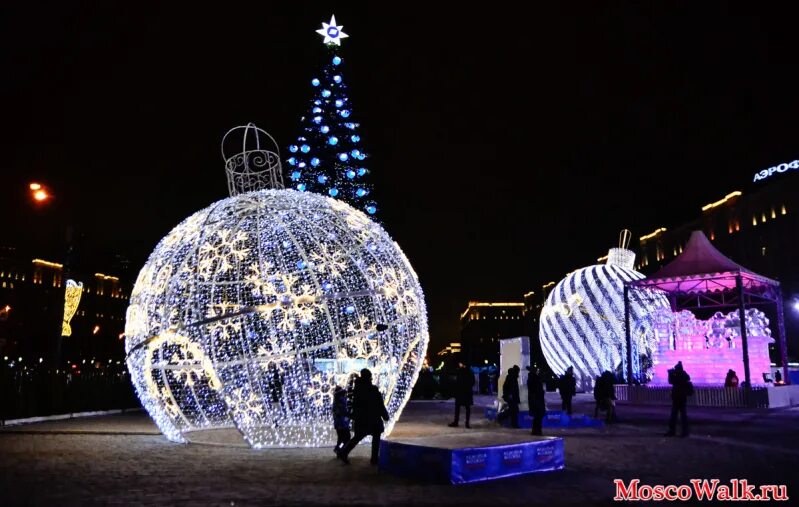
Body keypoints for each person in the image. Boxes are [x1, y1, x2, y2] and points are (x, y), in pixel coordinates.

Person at [337, 369, 389, 465]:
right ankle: (374, 459)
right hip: (373, 418)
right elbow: (379, 404)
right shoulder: (373, 390)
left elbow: (355, 405)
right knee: (376, 437)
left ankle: (344, 452)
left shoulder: (357, 390)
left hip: (361, 418)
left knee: (358, 437)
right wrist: (385, 415)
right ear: (369, 377)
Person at [665, 361, 692, 437]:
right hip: (681, 398)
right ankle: (684, 432)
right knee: (682, 415)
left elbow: (671, 381)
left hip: (678, 398)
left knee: (675, 415)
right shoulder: (684, 375)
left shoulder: (679, 376)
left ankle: (673, 431)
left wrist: (670, 374)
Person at [448, 360, 475, 428]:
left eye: (460, 363)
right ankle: (465, 423)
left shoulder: (462, 371)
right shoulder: (468, 371)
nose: (459, 364)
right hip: (465, 392)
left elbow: (471, 381)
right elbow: (472, 381)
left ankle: (458, 422)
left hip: (463, 392)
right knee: (465, 408)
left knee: (461, 408)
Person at [526, 365, 546, 435]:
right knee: (538, 416)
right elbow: (535, 390)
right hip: (536, 400)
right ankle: (537, 431)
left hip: (536, 399)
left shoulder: (533, 378)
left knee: (537, 417)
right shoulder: (534, 378)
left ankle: (536, 431)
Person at [332, 385, 351, 455]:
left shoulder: (336, 401)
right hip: (342, 424)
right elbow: (343, 412)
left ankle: (339, 450)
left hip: (339, 424)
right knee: (346, 438)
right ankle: (338, 449)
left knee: (341, 438)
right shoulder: (341, 401)